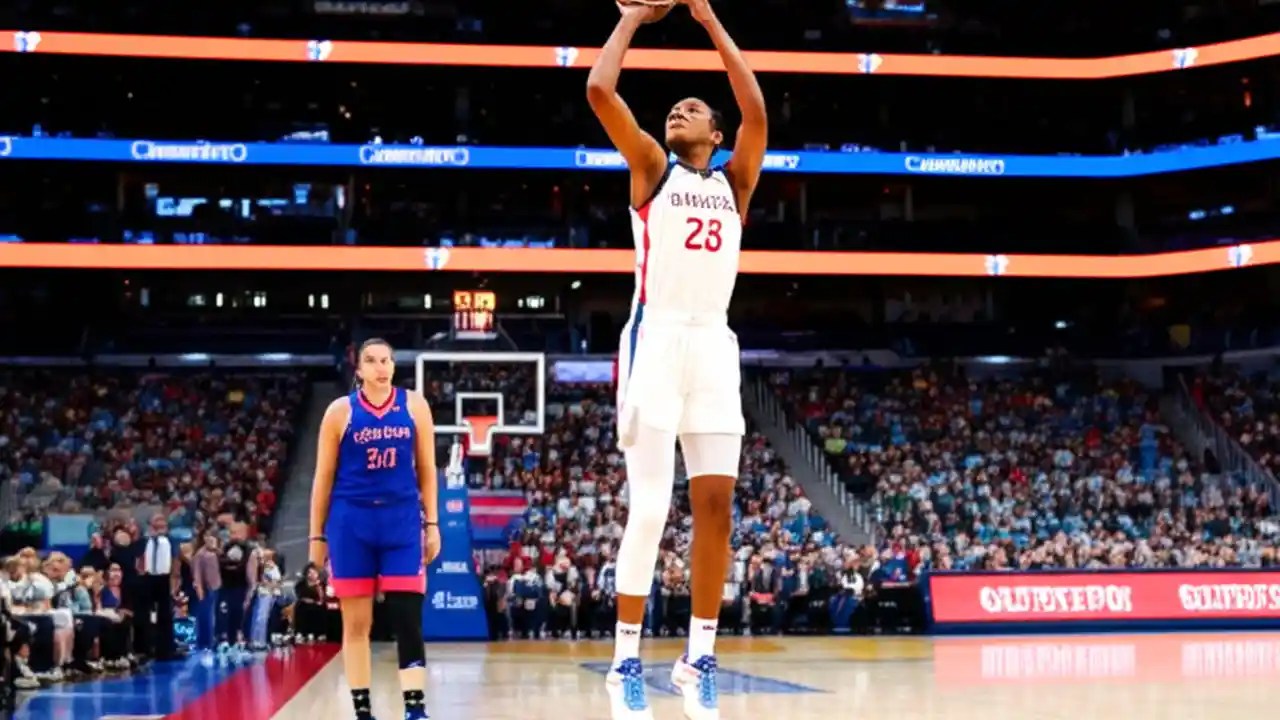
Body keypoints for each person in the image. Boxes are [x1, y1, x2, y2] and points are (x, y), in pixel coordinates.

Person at [586, 0, 767, 718]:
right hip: (656, 338)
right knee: (653, 505)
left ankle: (700, 656)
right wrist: (631, 20)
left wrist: (712, 23)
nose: (677, 113)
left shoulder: (734, 179)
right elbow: (601, 91)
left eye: (692, 108)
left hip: (713, 344)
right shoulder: (653, 170)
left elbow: (756, 111)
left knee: (716, 506)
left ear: (715, 134)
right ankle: (626, 656)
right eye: (673, 110)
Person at [309, 338, 442, 720]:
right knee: (356, 624)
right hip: (351, 523)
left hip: (401, 523)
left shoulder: (415, 406)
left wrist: (432, 524)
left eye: (386, 360)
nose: (381, 367)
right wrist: (316, 537)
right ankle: (363, 712)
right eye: (372, 361)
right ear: (358, 368)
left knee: (408, 619)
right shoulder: (339, 412)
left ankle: (415, 711)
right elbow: (322, 478)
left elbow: (428, 472)